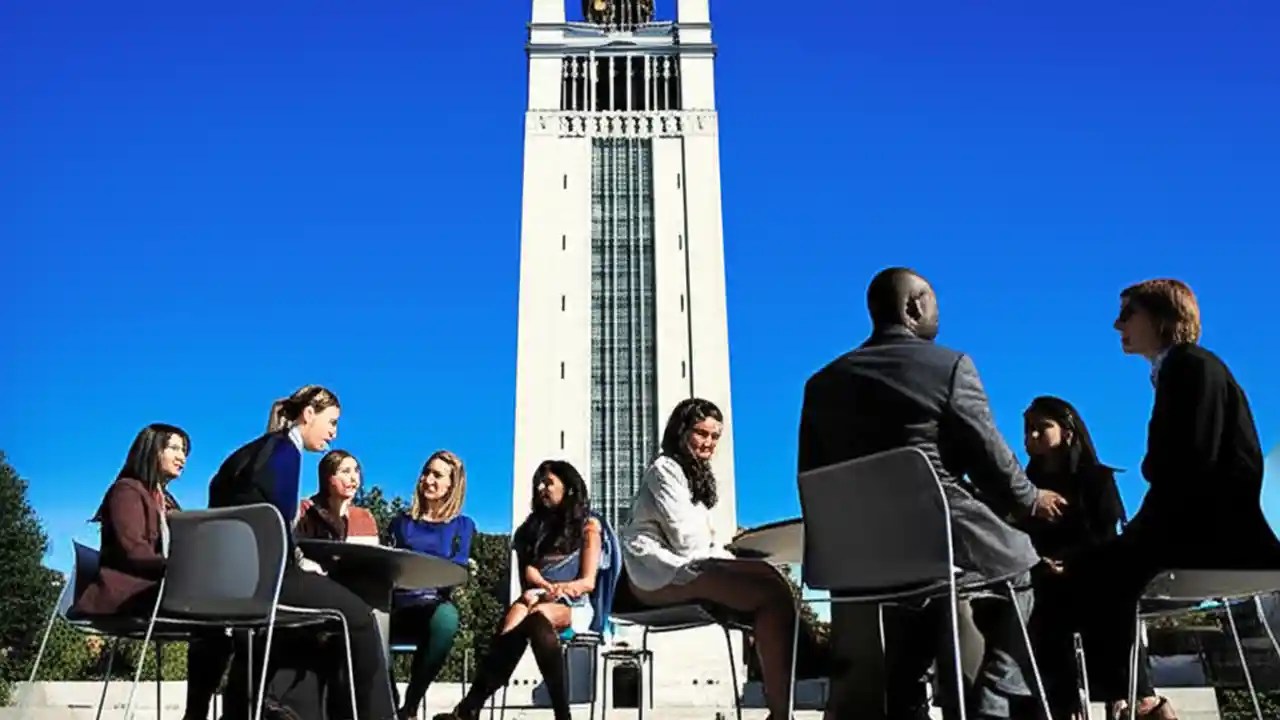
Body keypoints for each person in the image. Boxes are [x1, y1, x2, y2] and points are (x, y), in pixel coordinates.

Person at [797, 267, 1067, 720]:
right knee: (1026, 564)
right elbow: (990, 453)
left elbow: (810, 475)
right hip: (935, 532)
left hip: (856, 560)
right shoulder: (949, 365)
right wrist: (1031, 498)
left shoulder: (820, 384)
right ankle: (994, 700)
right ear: (914, 307)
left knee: (915, 597)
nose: (938, 313)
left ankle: (904, 701)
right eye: (935, 303)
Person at [1061, 279, 1280, 720]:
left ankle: (1137, 703)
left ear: (1161, 318)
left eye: (1128, 314)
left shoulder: (1189, 367)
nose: (1117, 324)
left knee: (1083, 576)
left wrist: (1131, 534)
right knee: (1092, 570)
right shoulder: (1186, 368)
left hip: (1212, 536)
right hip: (1204, 528)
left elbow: (1184, 471)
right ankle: (1136, 701)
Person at [192, 385, 397, 720]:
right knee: (359, 619)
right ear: (308, 414)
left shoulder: (247, 453)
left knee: (313, 625)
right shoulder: (286, 454)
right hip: (268, 579)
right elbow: (276, 526)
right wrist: (300, 563)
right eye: (331, 421)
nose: (334, 431)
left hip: (226, 583)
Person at [620, 398, 797, 720]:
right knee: (771, 594)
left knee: (772, 579)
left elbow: (704, 545)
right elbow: (688, 543)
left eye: (715, 437)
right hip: (655, 573)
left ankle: (783, 704)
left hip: (684, 567)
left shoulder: (695, 476)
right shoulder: (665, 469)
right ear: (681, 431)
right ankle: (783, 711)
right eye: (701, 433)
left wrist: (734, 557)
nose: (709, 443)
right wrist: (733, 560)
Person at [435, 460, 605, 720]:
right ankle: (471, 707)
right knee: (510, 627)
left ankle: (561, 713)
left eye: (548, 483)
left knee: (536, 620)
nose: (540, 488)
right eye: (539, 482)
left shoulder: (588, 527)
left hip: (575, 603)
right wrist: (542, 588)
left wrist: (558, 589)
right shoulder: (531, 529)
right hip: (537, 596)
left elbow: (588, 581)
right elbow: (529, 572)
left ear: (568, 488)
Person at [74, 424, 220, 720]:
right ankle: (196, 715)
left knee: (222, 622)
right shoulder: (126, 491)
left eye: (185, 452)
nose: (183, 458)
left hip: (155, 592)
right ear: (152, 450)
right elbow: (134, 551)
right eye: (175, 449)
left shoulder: (166, 500)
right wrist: (182, 566)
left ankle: (202, 713)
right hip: (128, 596)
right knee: (215, 625)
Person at [1019, 396, 1130, 719]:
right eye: (1028, 429)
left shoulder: (1096, 479)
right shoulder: (1026, 490)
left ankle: (1127, 698)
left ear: (1067, 432)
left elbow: (1107, 537)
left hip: (1092, 575)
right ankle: (1063, 705)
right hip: (1042, 579)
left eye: (1041, 428)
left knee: (1104, 600)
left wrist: (1074, 560)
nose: (1032, 436)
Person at [385, 450, 474, 720]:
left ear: (452, 484)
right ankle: (389, 700)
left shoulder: (462, 526)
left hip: (432, 605)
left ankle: (410, 706)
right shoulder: (401, 522)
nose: (428, 480)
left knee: (447, 618)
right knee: (369, 617)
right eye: (426, 472)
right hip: (397, 604)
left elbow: (457, 567)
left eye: (437, 475)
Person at [295, 449, 379, 544]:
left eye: (356, 471)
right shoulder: (304, 511)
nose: (354, 478)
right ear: (328, 477)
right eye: (345, 471)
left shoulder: (364, 518)